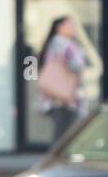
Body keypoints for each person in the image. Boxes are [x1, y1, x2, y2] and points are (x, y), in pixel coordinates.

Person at [36, 15, 88, 143]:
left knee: (64, 135)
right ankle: (54, 161)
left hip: (58, 96)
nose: (74, 28)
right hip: (63, 98)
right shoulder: (62, 43)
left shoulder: (55, 43)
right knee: (63, 137)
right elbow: (76, 65)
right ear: (59, 28)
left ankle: (56, 160)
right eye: (70, 24)